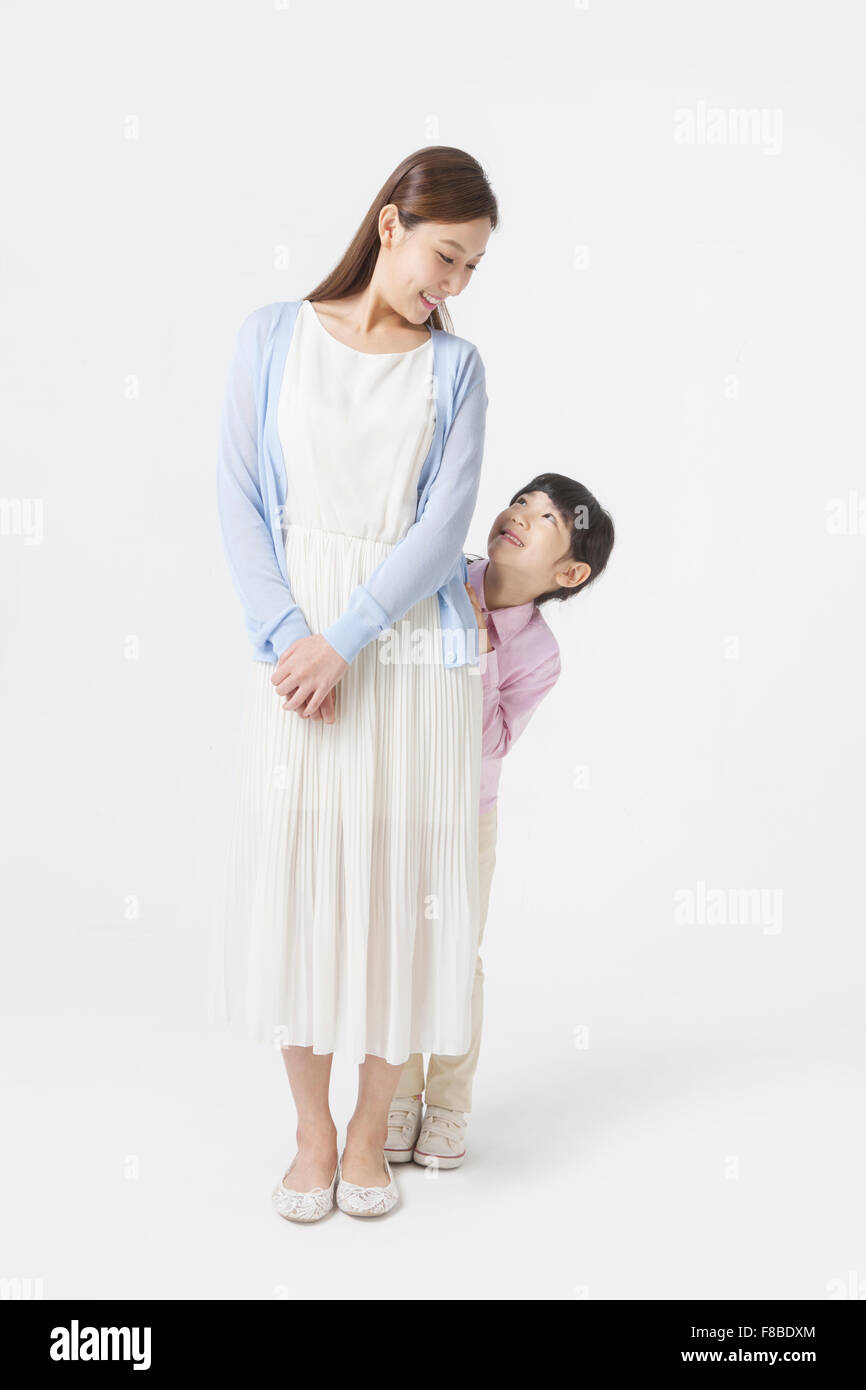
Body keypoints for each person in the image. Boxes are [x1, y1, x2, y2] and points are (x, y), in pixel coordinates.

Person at [210, 146, 499, 1220]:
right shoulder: (270, 337)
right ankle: (312, 1129)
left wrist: (348, 637)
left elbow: (441, 529)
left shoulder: (456, 370)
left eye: (471, 268)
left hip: (408, 657)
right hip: (293, 665)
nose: (455, 285)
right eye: (446, 255)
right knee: (297, 887)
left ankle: (372, 1130)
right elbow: (240, 500)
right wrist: (294, 638)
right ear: (390, 226)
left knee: (398, 898)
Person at [387, 474, 615, 1168]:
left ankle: (449, 1105)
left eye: (546, 516)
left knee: (455, 956)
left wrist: (480, 648)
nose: (519, 514)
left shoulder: (539, 655)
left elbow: (489, 743)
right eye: (520, 501)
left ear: (568, 572)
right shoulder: (438, 571)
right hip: (398, 799)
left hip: (466, 817)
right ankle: (395, 1096)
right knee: (395, 948)